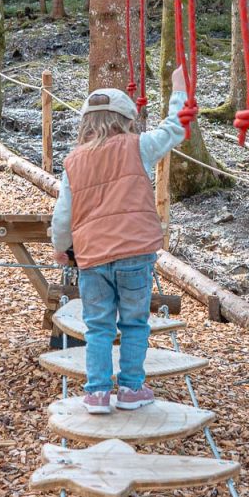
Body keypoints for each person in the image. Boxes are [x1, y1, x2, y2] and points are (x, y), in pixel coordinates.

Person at [49, 67, 188, 414]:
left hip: (92, 256)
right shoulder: (138, 146)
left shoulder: (73, 161)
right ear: (127, 120)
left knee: (97, 326)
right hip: (135, 253)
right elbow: (175, 129)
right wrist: (179, 91)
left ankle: (96, 393)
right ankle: (130, 388)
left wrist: (60, 247)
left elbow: (63, 213)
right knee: (134, 323)